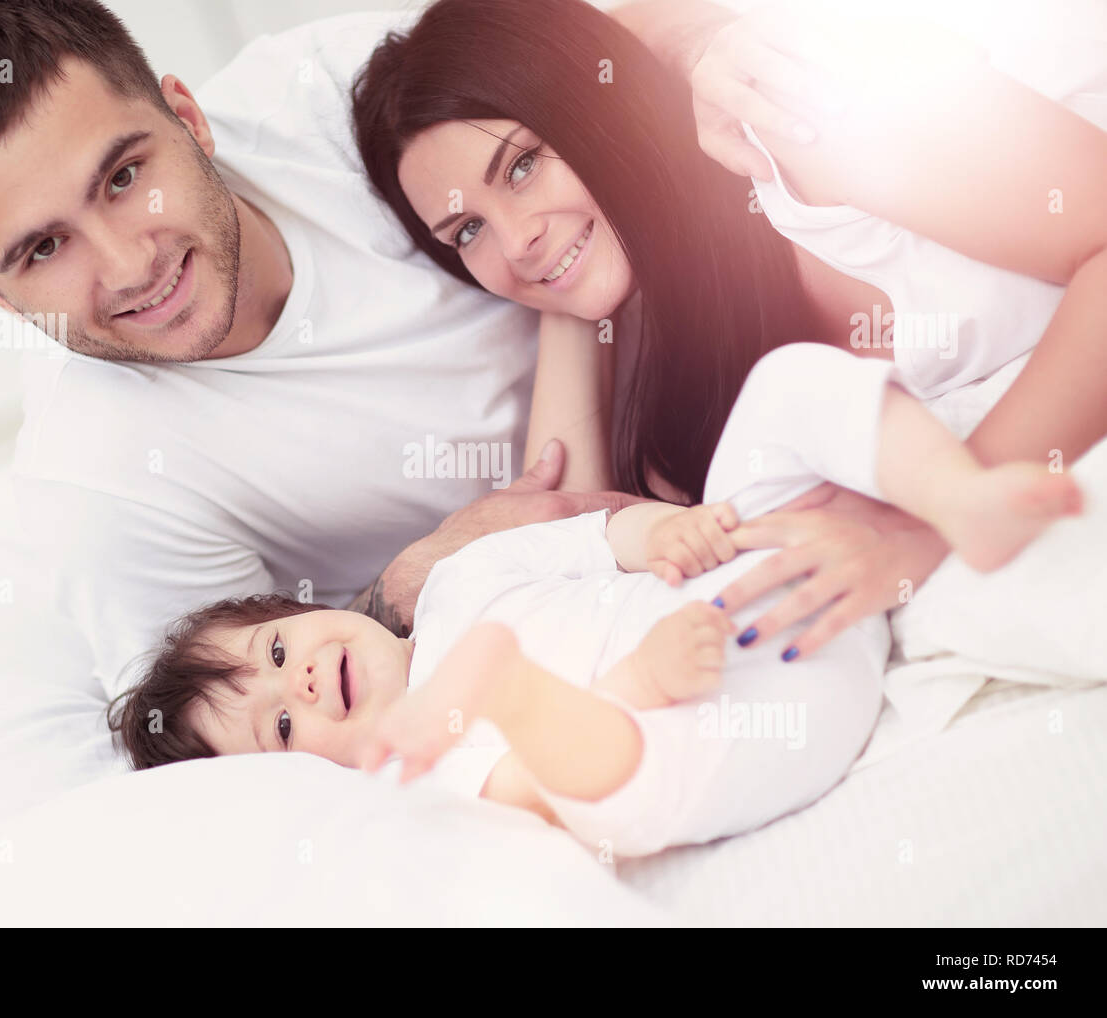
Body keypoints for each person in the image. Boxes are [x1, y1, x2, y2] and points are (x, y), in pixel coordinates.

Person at [0, 0, 804, 700]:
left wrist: (700, 49)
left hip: (716, 315)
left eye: (125, 178)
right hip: (617, 529)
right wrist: (405, 589)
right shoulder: (105, 497)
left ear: (190, 120)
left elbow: (569, 45)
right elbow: (230, 726)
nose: (127, 264)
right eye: (43, 249)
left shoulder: (321, 92)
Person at [108, 335, 1079, 855]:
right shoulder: (423, 774)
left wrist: (676, 531)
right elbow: (537, 788)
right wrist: (643, 681)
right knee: (594, 800)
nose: (306, 683)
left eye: (277, 654)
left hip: (767, 573)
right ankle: (517, 688)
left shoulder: (461, 576)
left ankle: (959, 495)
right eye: (281, 727)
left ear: (300, 612)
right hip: (734, 715)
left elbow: (601, 539)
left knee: (780, 383)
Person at [352, 0, 1107, 662]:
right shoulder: (674, 358)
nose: (514, 240)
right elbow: (568, 557)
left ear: (592, 106)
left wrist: (935, 516)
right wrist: (559, 299)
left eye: (520, 167)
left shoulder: (794, 120)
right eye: (468, 231)